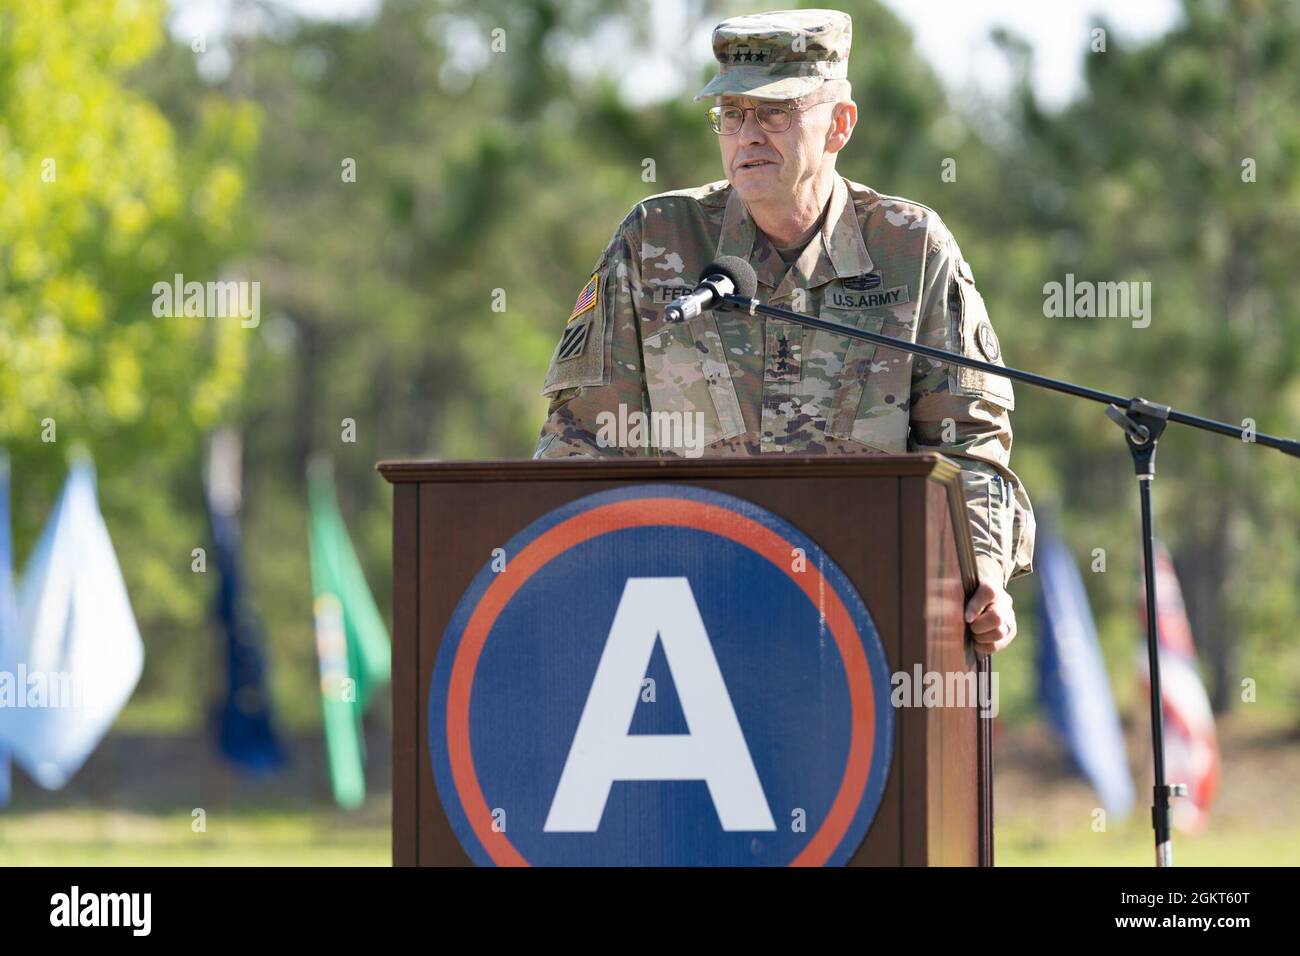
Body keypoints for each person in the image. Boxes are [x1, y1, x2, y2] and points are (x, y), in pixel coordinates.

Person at [533, 9, 1034, 654]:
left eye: (775, 113)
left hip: (863, 624)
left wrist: (984, 573)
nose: (748, 137)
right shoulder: (657, 241)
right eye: (732, 115)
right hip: (683, 620)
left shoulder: (911, 250)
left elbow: (969, 443)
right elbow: (582, 440)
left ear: (839, 125)